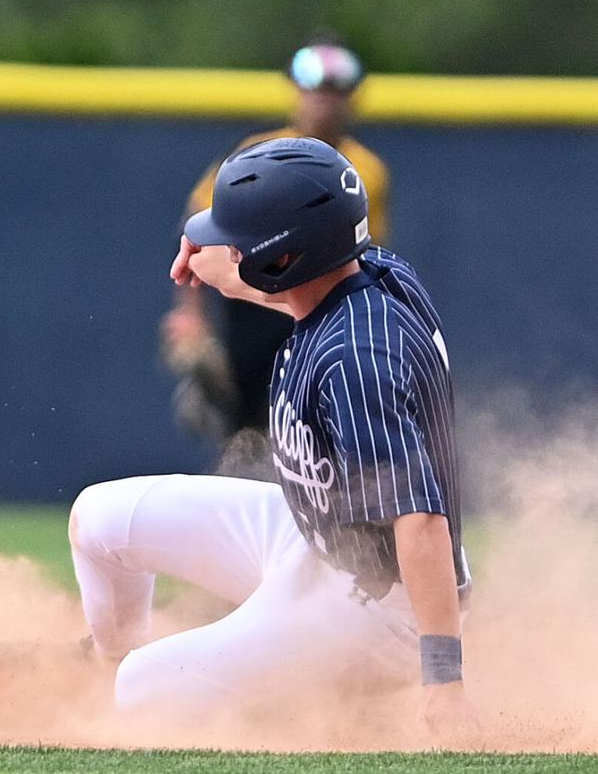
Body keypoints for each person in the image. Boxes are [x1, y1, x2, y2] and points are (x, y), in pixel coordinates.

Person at [70, 137, 476, 740]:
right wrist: (227, 276)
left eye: (237, 237)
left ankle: (328, 693)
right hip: (317, 534)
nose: (220, 243)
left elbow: (421, 521)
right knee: (100, 519)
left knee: (144, 688)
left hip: (378, 604)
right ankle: (115, 661)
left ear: (283, 257)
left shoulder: (358, 360)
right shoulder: (373, 271)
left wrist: (443, 680)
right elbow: (299, 283)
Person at [161, 38, 389, 474]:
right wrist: (192, 315)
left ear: (351, 99)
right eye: (314, 89)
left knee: (317, 440)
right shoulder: (260, 151)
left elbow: (370, 255)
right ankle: (231, 532)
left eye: (334, 91)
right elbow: (201, 224)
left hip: (319, 315)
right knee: (242, 436)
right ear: (296, 92)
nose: (323, 102)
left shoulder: (369, 171)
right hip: (252, 306)